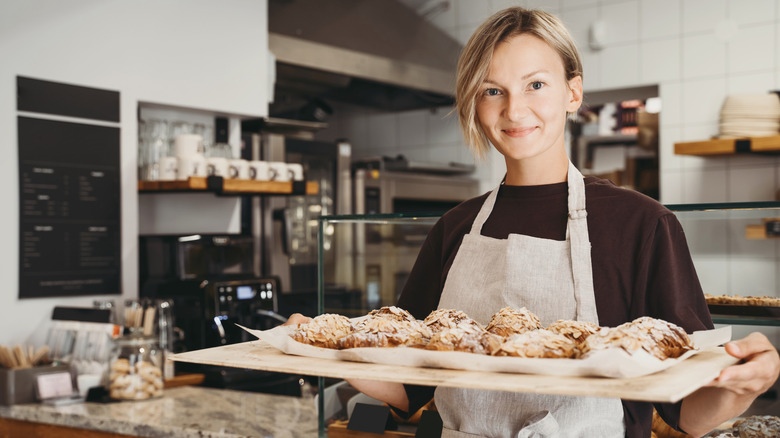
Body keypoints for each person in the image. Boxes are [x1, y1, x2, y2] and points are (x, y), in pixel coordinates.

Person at [285, 7, 780, 437]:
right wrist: (323, 351)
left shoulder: (644, 225)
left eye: (536, 85)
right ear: (475, 106)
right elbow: (409, 387)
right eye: (492, 90)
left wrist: (744, 386)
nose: (514, 109)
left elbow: (689, 415)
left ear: (573, 92)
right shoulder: (454, 228)